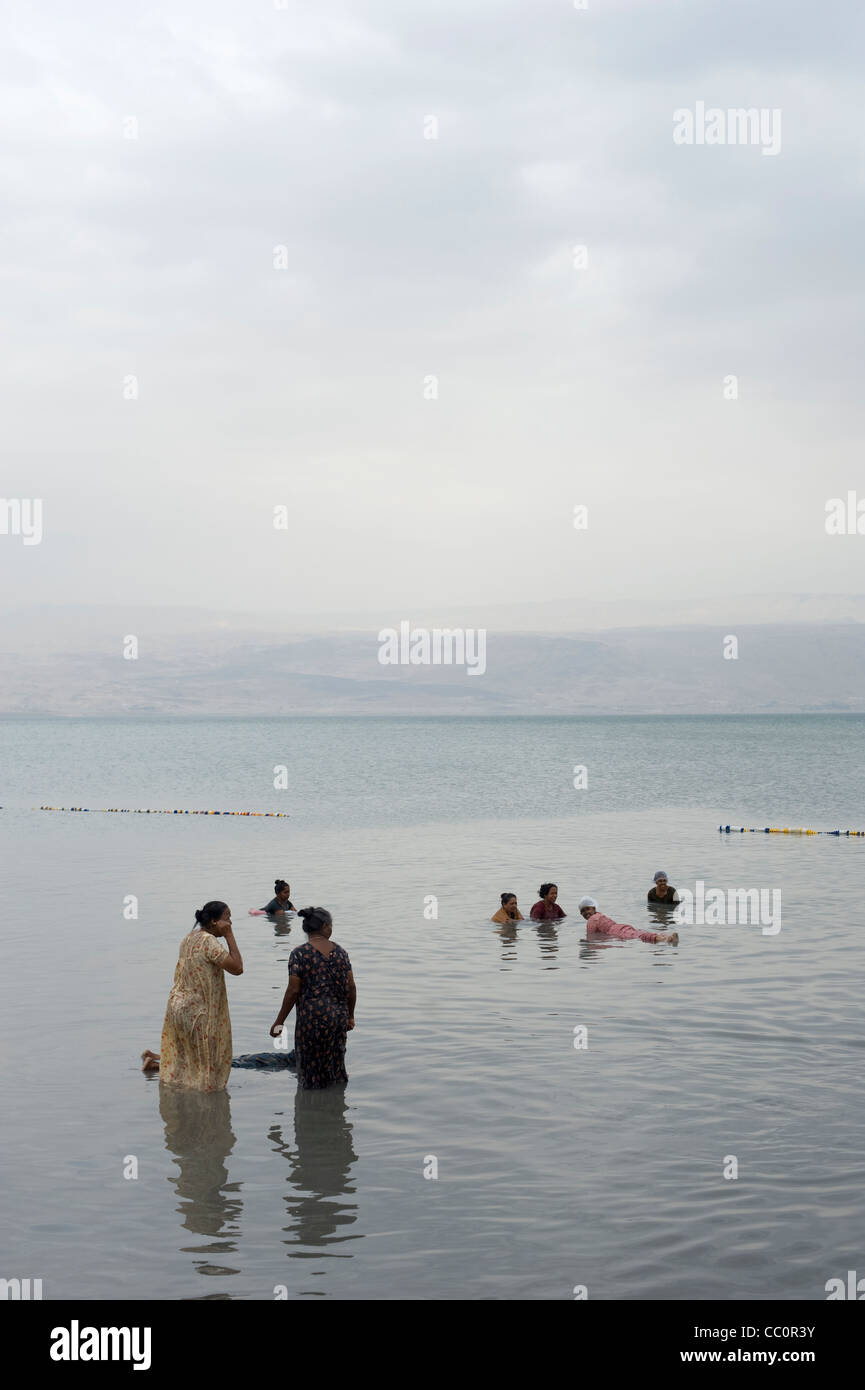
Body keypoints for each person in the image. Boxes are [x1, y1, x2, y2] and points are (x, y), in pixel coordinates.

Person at [140, 901, 244, 1090]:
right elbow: (237, 968)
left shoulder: (188, 938)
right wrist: (229, 935)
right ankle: (207, 1114)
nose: (230, 923)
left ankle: (159, 1072)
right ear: (214, 921)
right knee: (207, 1076)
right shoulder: (208, 941)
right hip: (198, 1013)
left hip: (177, 1007)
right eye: (227, 918)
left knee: (186, 1063)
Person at [270, 907, 357, 1089]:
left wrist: (279, 1021)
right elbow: (351, 987)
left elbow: (293, 991)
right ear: (325, 926)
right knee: (336, 1067)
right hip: (337, 1019)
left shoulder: (299, 954)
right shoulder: (341, 952)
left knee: (310, 1073)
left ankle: (309, 1111)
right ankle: (336, 1110)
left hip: (310, 1022)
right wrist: (350, 1016)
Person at [579, 897, 678, 945]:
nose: (585, 912)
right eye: (582, 911)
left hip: (616, 932)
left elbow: (591, 937)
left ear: (594, 908)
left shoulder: (591, 920)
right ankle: (666, 936)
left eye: (587, 909)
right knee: (640, 933)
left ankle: (665, 939)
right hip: (621, 927)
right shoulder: (600, 915)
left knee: (639, 936)